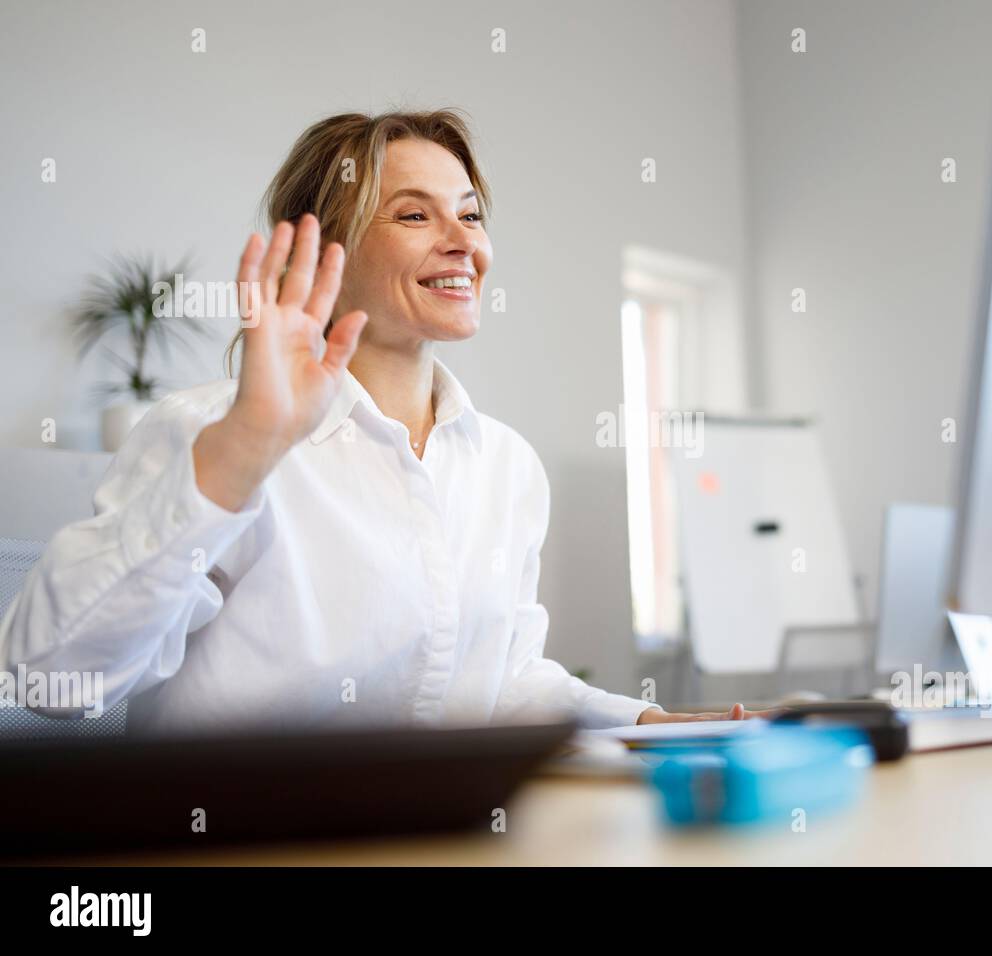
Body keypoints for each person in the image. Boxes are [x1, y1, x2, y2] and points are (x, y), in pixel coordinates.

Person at [0, 110, 767, 735]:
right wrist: (242, 450)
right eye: (414, 214)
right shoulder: (207, 431)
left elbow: (498, 682)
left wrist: (652, 721)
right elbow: (45, 678)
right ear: (323, 247)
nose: (466, 241)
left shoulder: (505, 464)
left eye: (470, 214)